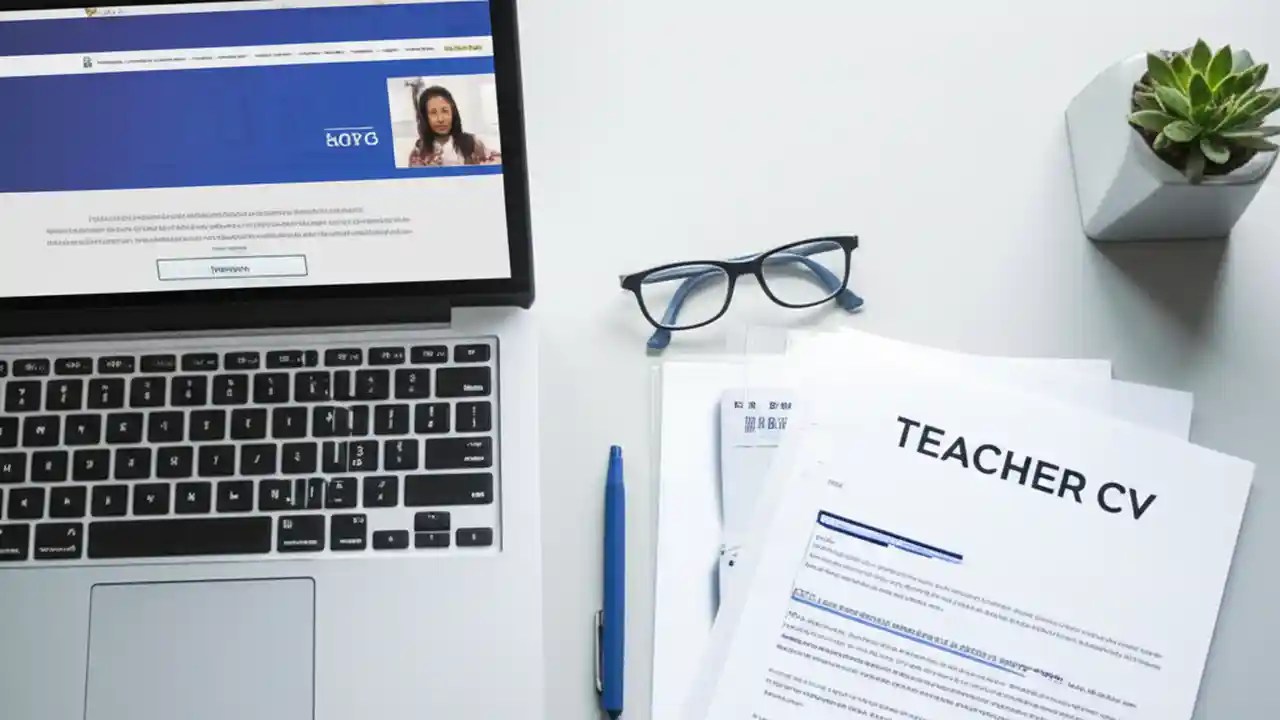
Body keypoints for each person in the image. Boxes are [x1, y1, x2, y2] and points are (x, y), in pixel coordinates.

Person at [407, 84, 501, 167]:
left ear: (453, 113)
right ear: (425, 118)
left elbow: (499, 160)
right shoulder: (418, 154)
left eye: (445, 111)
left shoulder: (471, 143)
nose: (440, 119)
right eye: (433, 113)